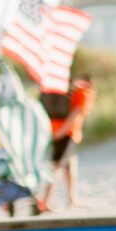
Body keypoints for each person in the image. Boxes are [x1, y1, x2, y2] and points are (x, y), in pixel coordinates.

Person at [38, 75, 94, 211]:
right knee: (57, 166)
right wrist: (62, 131)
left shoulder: (65, 90)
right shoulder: (83, 92)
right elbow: (76, 112)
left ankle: (72, 199)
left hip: (55, 130)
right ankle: (44, 202)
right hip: (67, 133)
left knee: (70, 165)